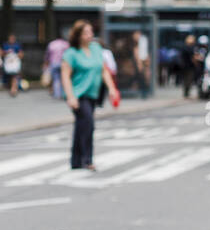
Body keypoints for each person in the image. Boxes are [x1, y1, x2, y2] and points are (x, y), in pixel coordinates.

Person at [61, 20, 119, 171]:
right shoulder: (71, 53)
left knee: (81, 126)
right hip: (78, 95)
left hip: (93, 94)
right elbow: (65, 76)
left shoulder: (95, 48)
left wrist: (112, 88)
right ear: (78, 35)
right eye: (86, 32)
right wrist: (70, 96)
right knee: (88, 124)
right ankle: (87, 159)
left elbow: (103, 70)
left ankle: (75, 161)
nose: (90, 35)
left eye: (91, 32)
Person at [46, 33, 69, 98]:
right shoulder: (65, 44)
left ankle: (57, 94)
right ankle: (63, 93)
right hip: (63, 63)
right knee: (64, 78)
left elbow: (47, 54)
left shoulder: (52, 44)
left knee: (56, 79)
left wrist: (46, 62)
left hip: (54, 63)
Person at [131, 29, 151, 97]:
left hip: (142, 63)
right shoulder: (136, 45)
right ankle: (143, 92)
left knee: (143, 78)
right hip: (138, 64)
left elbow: (144, 56)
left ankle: (144, 92)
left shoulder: (143, 43)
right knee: (140, 78)